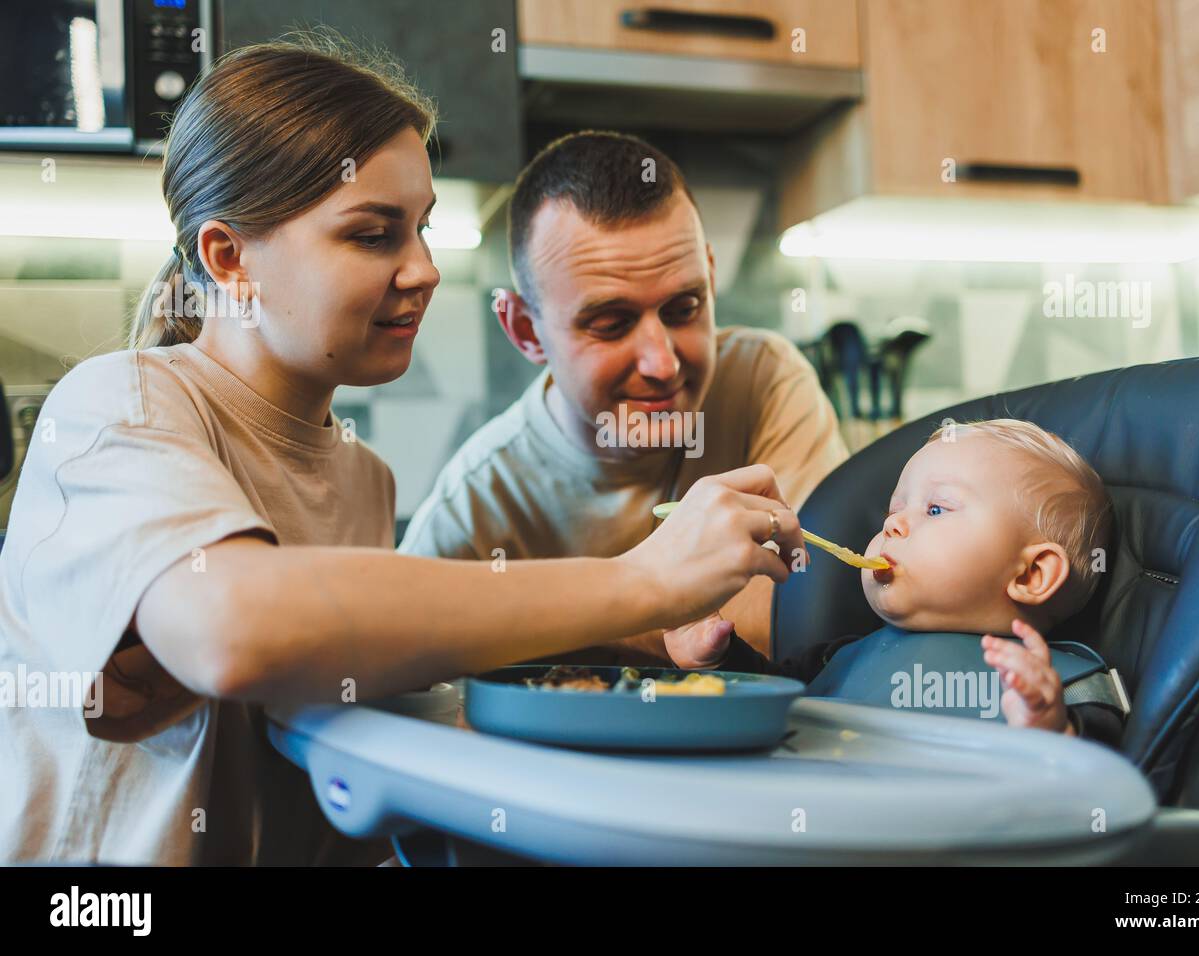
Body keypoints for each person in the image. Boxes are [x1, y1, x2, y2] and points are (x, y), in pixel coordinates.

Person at [0, 33, 805, 866]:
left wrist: (645, 631)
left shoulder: (360, 477)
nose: (423, 270)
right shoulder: (119, 406)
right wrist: (644, 579)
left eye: (421, 228)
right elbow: (234, 628)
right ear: (229, 258)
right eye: (374, 233)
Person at [399, 131, 848, 662]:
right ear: (525, 330)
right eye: (611, 324)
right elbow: (400, 648)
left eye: (684, 309)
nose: (663, 364)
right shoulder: (476, 503)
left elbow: (807, 611)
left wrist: (521, 620)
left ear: (709, 271)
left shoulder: (764, 381)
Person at [666, 419, 1126, 745]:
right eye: (894, 511)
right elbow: (766, 705)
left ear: (1031, 574)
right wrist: (715, 660)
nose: (893, 526)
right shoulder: (837, 660)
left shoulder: (1063, 686)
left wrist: (1047, 731)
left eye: (936, 509)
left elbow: (1103, 791)